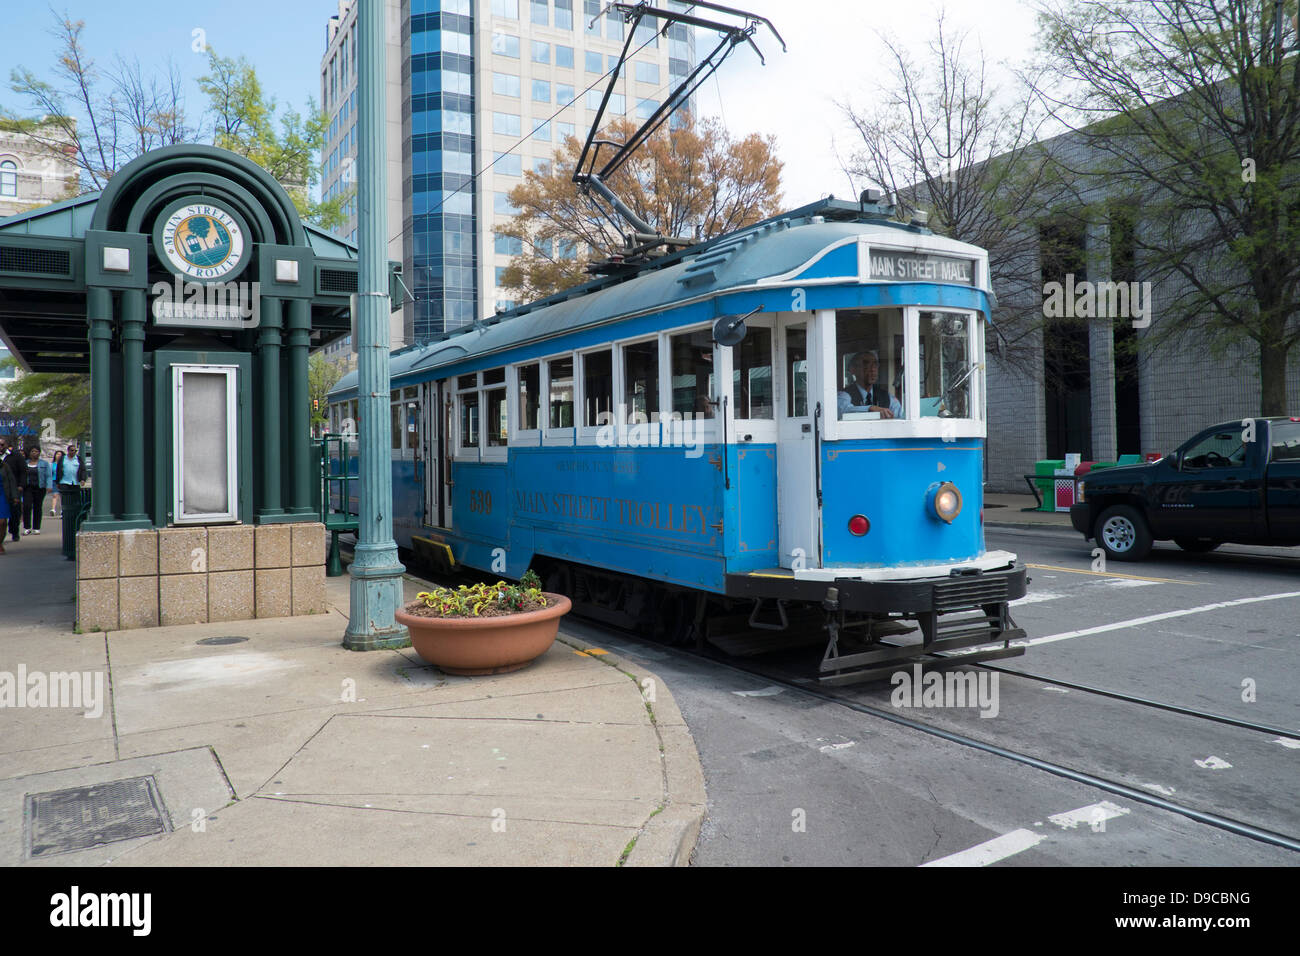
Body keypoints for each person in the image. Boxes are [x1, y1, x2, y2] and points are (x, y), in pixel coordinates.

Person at [838, 350, 902, 419]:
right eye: (866, 364)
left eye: (875, 364)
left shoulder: (887, 397)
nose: (873, 369)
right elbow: (843, 410)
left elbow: (899, 416)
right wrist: (870, 409)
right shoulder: (844, 395)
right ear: (853, 369)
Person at [57, 443, 84, 560]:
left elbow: (82, 469)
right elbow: (59, 469)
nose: (73, 452)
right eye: (72, 450)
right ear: (68, 451)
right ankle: (65, 512)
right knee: (66, 501)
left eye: (75, 450)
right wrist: (57, 481)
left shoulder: (78, 459)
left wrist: (82, 479)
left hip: (75, 482)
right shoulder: (63, 459)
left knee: (75, 501)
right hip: (65, 482)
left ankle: (73, 512)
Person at [22, 446, 50, 535]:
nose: (34, 453)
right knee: (27, 506)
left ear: (39, 453)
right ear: (29, 453)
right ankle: (27, 527)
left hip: (39, 487)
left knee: (37, 507)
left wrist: (49, 486)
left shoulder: (44, 464)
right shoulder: (25, 463)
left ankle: (36, 527)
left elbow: (48, 475)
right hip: (28, 488)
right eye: (32, 451)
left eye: (36, 451)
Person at [0, 439, 22, 542]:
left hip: (4, 493)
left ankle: (3, 539)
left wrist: (16, 494)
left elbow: (13, 480)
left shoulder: (6, 465)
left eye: (2, 445)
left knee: (4, 521)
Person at [48, 449, 63, 516]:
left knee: (62, 496)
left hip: (62, 481)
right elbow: (49, 474)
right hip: (54, 481)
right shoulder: (52, 464)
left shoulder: (63, 464)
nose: (58, 456)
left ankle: (62, 510)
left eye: (60, 454)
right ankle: (53, 509)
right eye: (57, 454)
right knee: (55, 495)